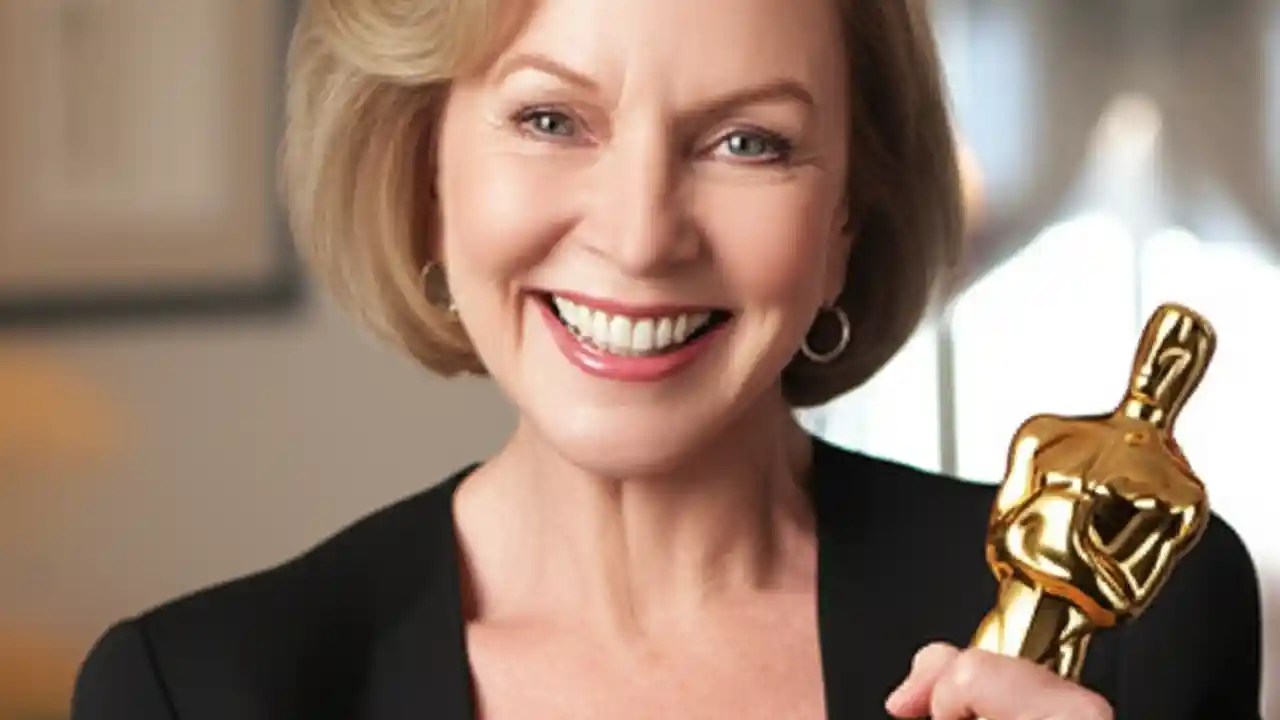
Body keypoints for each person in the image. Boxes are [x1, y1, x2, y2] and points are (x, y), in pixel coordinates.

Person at [70, 0, 1263, 717]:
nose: (640, 236)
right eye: (550, 120)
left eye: (747, 142)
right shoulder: (194, 692)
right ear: (422, 172)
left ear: (846, 219)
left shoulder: (1141, 630)